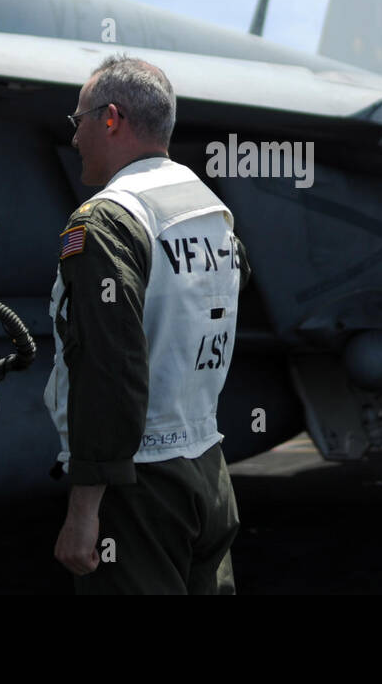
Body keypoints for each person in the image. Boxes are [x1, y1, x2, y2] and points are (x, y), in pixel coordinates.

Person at [48, 54, 250, 594]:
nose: (74, 139)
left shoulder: (109, 219)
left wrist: (85, 506)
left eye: (79, 122)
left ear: (110, 118)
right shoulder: (211, 213)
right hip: (207, 468)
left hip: (139, 483)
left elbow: (108, 368)